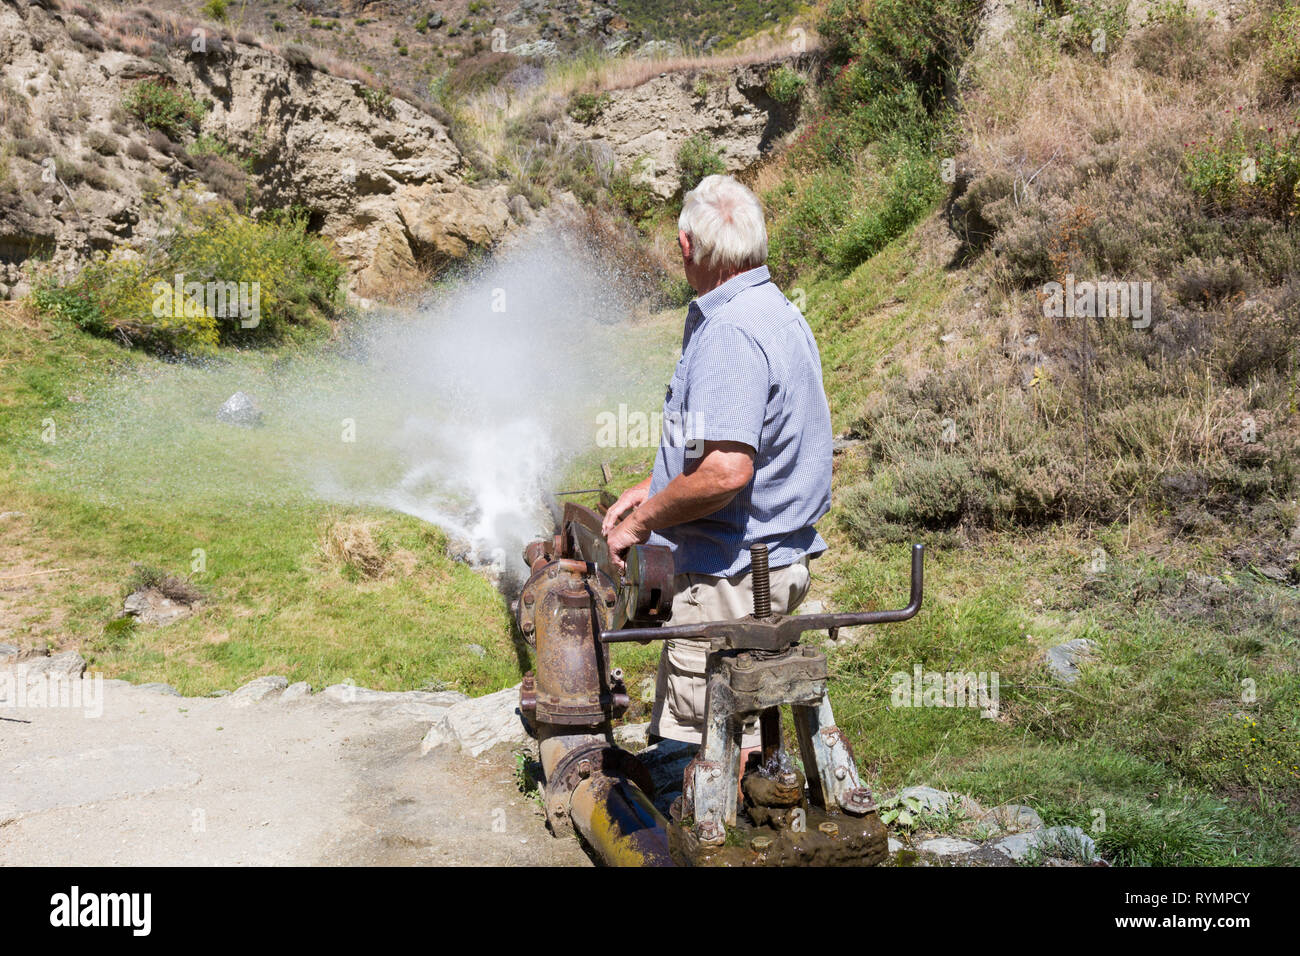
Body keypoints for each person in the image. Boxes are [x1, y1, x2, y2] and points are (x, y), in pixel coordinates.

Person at [603, 173, 833, 754]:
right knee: (749, 742)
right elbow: (734, 444)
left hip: (731, 578)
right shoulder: (775, 310)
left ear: (686, 245)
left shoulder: (729, 332)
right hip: (773, 560)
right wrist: (652, 487)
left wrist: (640, 522)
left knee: (708, 753)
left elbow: (727, 471)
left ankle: (715, 842)